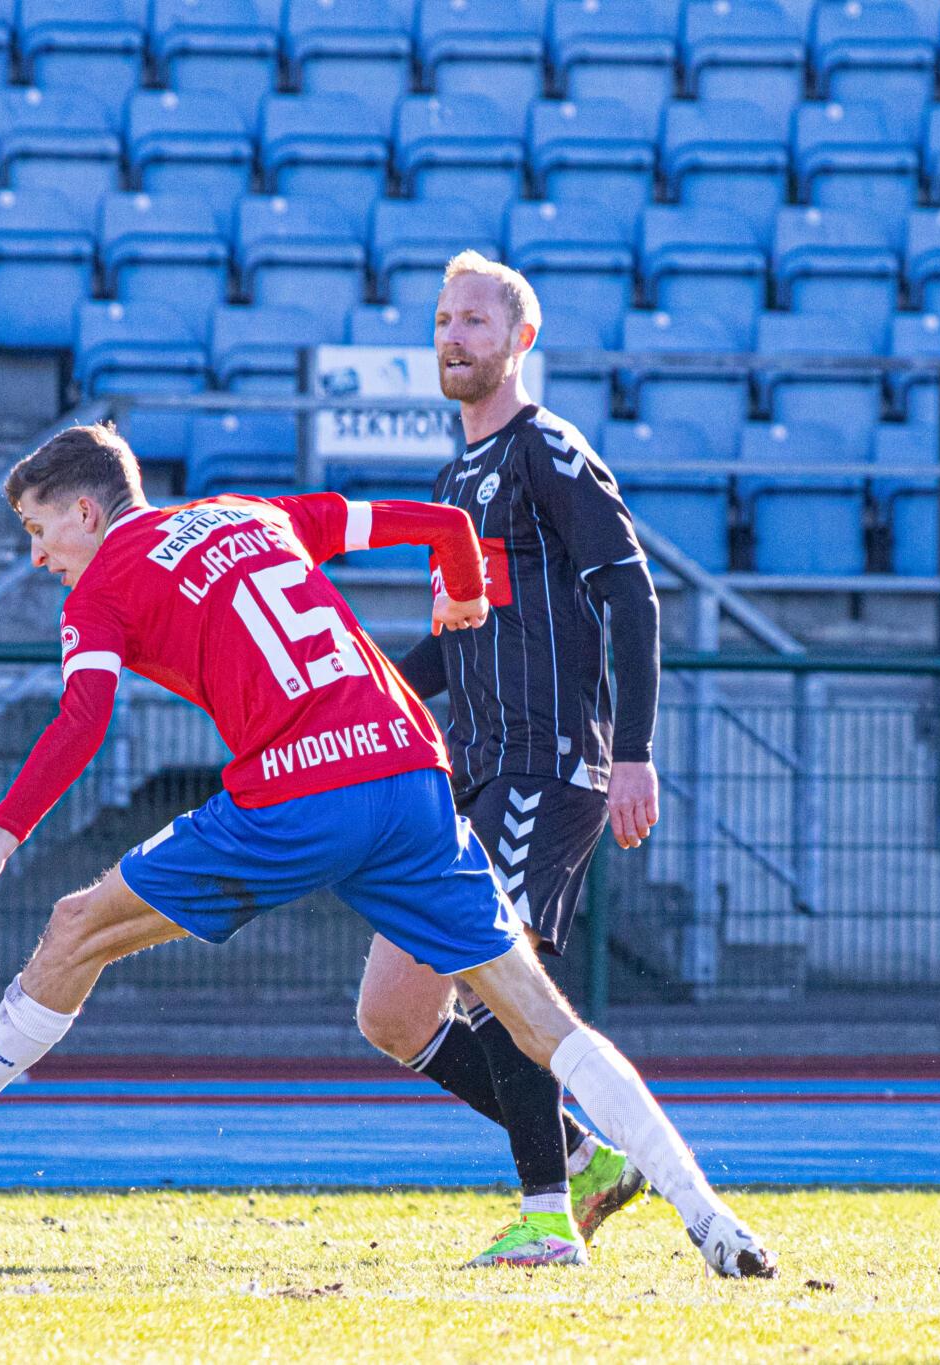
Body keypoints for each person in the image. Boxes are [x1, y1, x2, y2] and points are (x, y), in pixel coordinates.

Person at [0, 421, 775, 1278]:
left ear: (84, 511)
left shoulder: (105, 581)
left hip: (297, 788)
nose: (37, 556)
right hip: (409, 773)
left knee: (76, 928)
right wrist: (464, 596)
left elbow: (82, 719)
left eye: (37, 530)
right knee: (539, 1015)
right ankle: (709, 1216)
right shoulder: (253, 510)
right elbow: (443, 525)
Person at [352, 251, 668, 1268]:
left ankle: (545, 1219)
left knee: (494, 977)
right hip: (474, 771)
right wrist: (357, 696)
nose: (453, 338)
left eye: (475, 322)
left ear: (520, 340)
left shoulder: (549, 449)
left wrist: (634, 753)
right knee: (393, 1011)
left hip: (548, 766)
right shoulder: (454, 481)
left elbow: (631, 596)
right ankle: (580, 1157)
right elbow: (458, 640)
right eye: (444, 321)